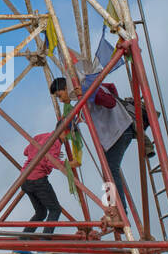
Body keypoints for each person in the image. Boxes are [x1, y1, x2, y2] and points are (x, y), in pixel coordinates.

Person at [50, 74, 132, 219]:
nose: (61, 99)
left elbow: (110, 102)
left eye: (60, 95)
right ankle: (115, 209)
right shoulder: (82, 101)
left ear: (66, 88)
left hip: (120, 132)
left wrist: (87, 94)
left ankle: (120, 212)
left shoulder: (89, 89)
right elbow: (71, 121)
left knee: (110, 171)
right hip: (112, 138)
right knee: (108, 172)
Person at [12, 131, 65, 254]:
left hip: (25, 179)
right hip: (38, 180)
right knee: (55, 210)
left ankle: (21, 245)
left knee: (40, 213)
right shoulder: (56, 142)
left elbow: (26, 152)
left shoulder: (41, 136)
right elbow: (51, 163)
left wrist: (48, 154)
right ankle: (43, 246)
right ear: (66, 132)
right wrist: (69, 164)